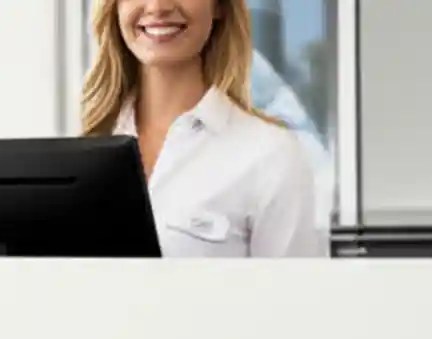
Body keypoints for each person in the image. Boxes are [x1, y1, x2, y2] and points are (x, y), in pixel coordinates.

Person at [82, 0, 329, 257]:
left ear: (220, 6)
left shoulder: (272, 155)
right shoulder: (84, 150)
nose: (157, 6)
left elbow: (296, 294)